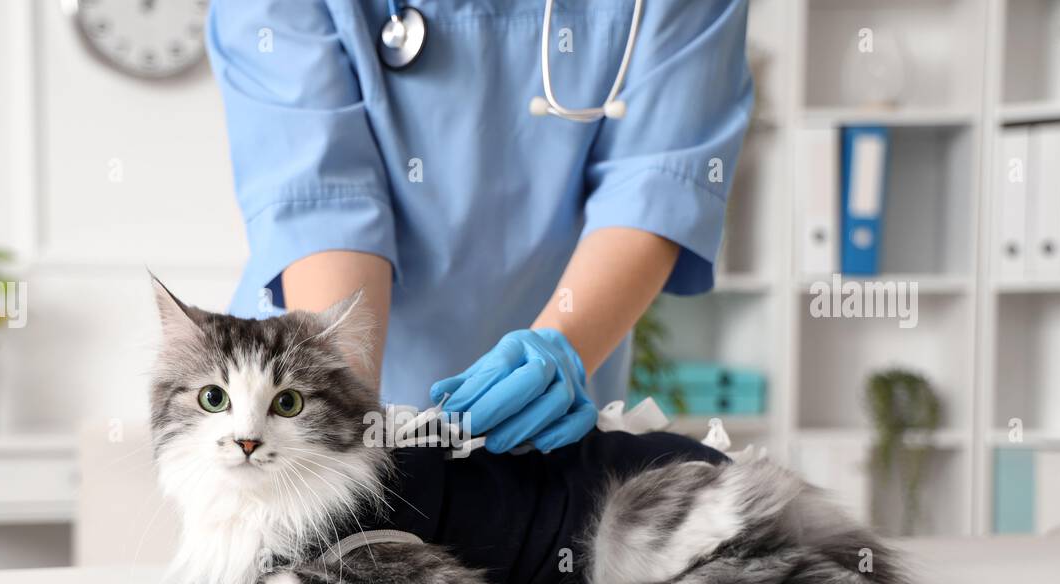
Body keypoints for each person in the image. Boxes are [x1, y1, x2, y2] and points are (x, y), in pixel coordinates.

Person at [207, 0, 752, 453]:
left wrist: (558, 350)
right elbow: (325, 202)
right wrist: (342, 427)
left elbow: (654, 185)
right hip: (304, 397)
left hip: (553, 388)